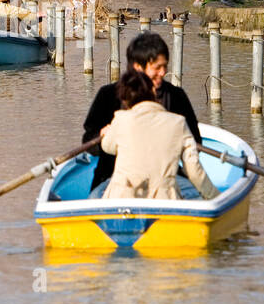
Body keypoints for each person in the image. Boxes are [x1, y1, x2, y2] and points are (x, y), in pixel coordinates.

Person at [82, 31, 203, 195]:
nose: (163, 73)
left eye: (165, 66)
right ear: (138, 67)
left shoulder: (176, 96)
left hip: (166, 178)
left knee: (196, 196)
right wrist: (105, 137)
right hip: (114, 177)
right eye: (157, 68)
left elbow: (195, 142)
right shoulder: (108, 95)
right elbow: (89, 141)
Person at [100, 69, 217, 201]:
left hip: (121, 199)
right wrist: (215, 197)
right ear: (153, 92)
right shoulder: (178, 122)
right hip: (164, 201)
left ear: (125, 101)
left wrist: (106, 133)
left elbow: (107, 147)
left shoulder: (120, 119)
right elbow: (193, 168)